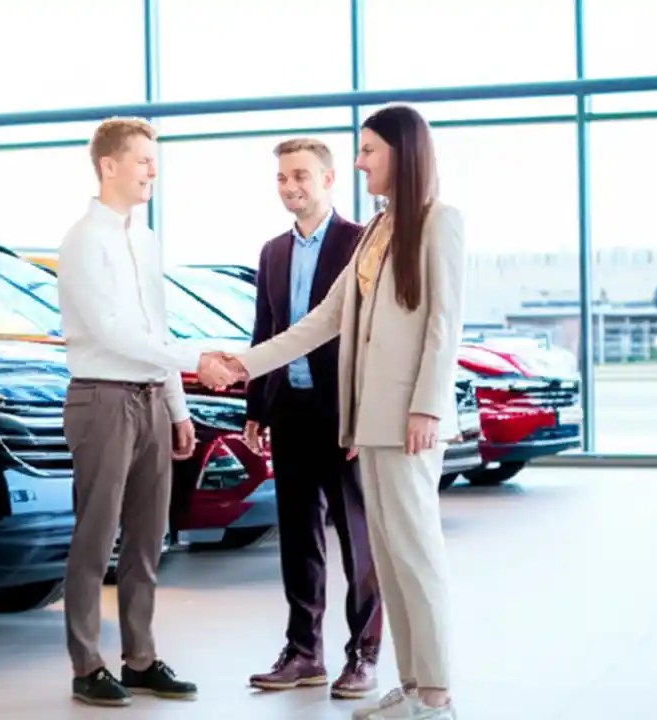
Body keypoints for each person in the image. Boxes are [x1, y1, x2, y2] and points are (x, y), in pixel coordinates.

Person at [229, 104, 465, 720]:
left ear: (403, 154)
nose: (359, 161)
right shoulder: (378, 231)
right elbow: (325, 320)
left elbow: (444, 327)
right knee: (389, 556)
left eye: (369, 151)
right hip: (370, 422)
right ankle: (412, 686)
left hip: (412, 423)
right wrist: (243, 365)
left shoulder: (441, 222)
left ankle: (436, 694)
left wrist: (428, 409)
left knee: (416, 556)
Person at [57, 116, 241, 707]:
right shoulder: (83, 241)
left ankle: (140, 657)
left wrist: (178, 405)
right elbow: (112, 334)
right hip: (103, 398)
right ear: (108, 166)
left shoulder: (145, 238)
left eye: (153, 161)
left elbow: (154, 329)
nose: (152, 171)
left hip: (149, 401)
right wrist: (196, 360)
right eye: (142, 160)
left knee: (146, 538)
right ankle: (87, 665)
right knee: (95, 536)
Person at [244, 138, 384, 699]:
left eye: (300, 175)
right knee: (298, 540)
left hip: (343, 413)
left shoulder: (360, 243)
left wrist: (366, 414)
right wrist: (256, 407)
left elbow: (373, 335)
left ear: (329, 180)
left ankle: (364, 655)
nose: (289, 186)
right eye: (281, 177)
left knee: (357, 539)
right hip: (291, 411)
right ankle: (304, 652)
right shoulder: (273, 251)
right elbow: (266, 332)